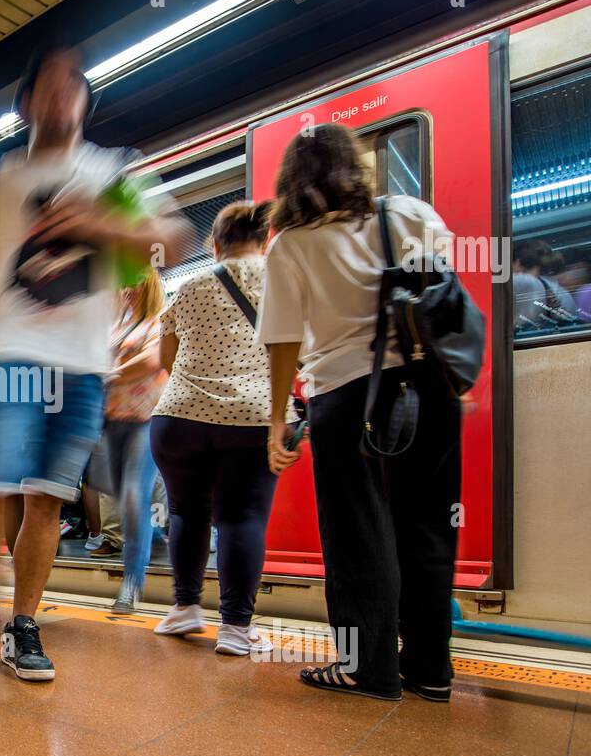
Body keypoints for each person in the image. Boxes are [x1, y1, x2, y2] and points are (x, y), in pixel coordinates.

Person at [0, 44, 190, 681]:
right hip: (12, 351)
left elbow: (176, 241)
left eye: (73, 83)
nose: (62, 95)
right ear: (25, 104)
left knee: (48, 499)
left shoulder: (117, 170)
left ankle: (23, 625)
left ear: (86, 97)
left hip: (83, 362)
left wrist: (101, 223)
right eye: (48, 85)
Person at [259, 122, 462, 702]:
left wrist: (279, 420)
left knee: (357, 537)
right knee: (426, 529)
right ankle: (429, 669)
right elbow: (444, 288)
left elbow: (282, 341)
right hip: (431, 390)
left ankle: (365, 667)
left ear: (293, 179)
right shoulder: (407, 212)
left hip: (349, 396)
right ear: (356, 166)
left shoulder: (292, 244)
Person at [151, 201, 294, 653]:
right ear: (266, 238)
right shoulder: (280, 279)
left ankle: (184, 609)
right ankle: (234, 628)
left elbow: (165, 357)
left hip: (177, 417)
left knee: (186, 513)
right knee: (241, 518)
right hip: (252, 418)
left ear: (215, 245)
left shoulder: (190, 284)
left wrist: (199, 387)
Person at [101, 272, 168, 613]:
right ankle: (155, 539)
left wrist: (111, 374)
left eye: (134, 282)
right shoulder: (119, 323)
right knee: (122, 496)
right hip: (115, 422)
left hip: (148, 420)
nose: (127, 289)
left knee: (131, 496)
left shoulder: (160, 320)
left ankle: (131, 584)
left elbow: (152, 361)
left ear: (149, 285)